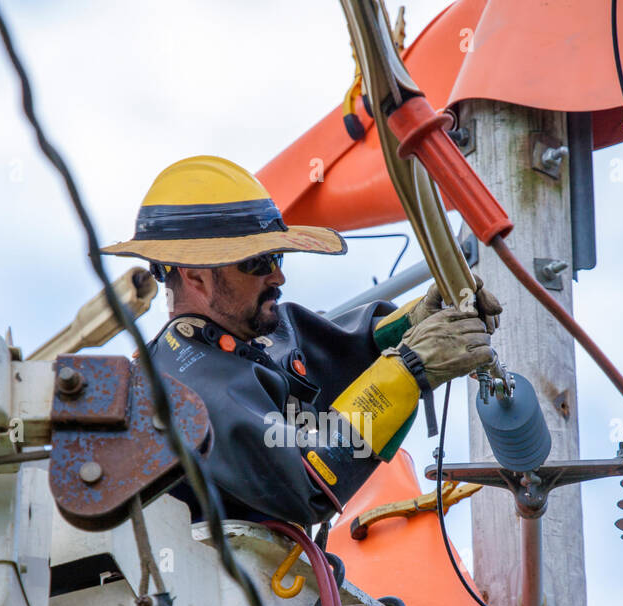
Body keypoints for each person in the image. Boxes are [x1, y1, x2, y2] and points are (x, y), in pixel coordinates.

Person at [101, 155, 500, 526]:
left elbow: (337, 353)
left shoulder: (253, 334)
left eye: (278, 258)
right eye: (258, 263)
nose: (278, 277)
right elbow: (310, 478)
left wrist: (415, 320)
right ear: (196, 277)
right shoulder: (181, 386)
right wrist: (409, 370)